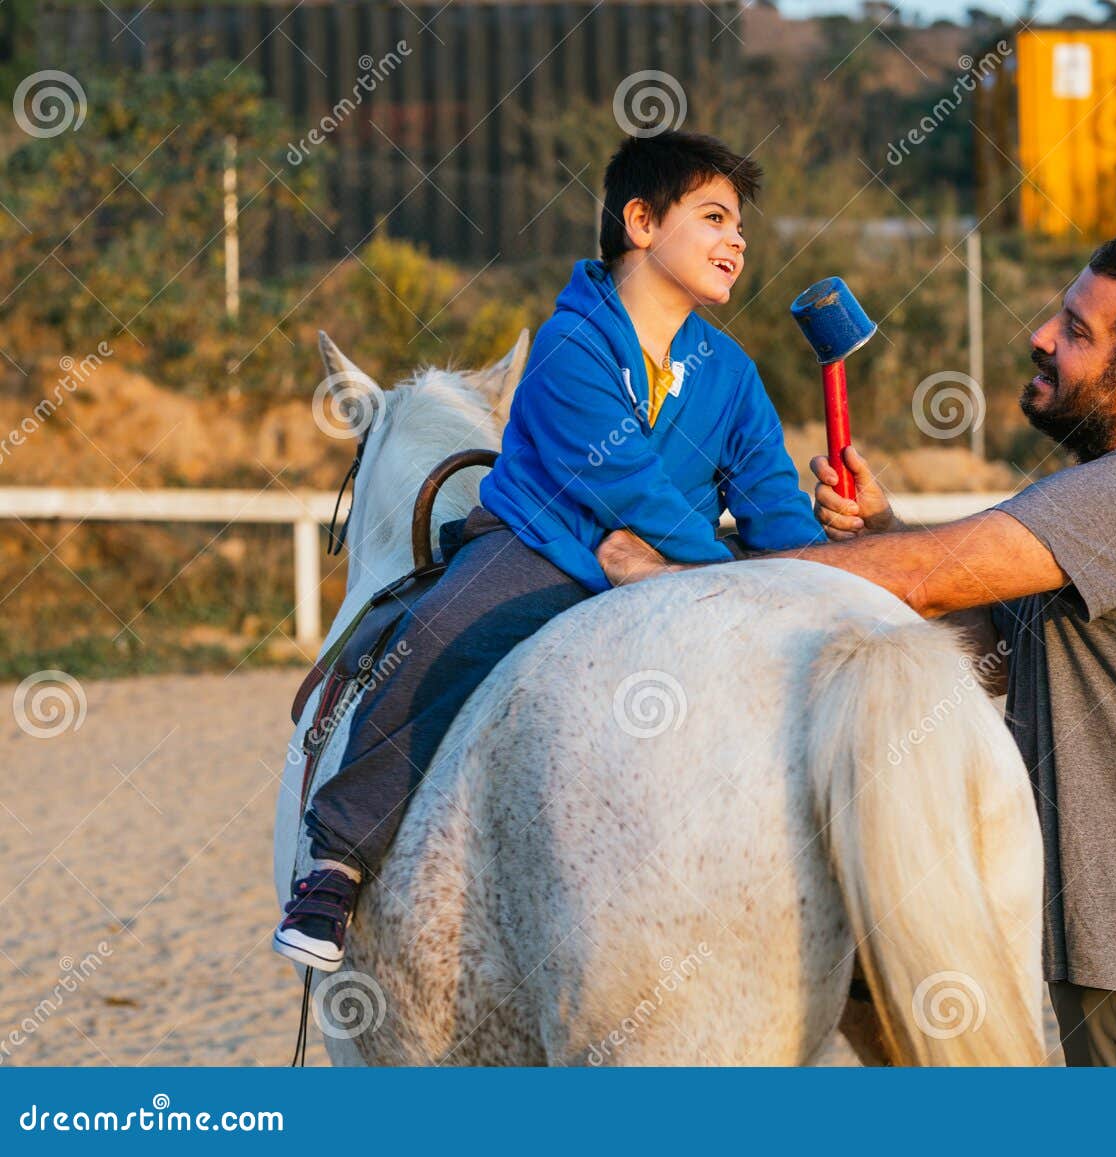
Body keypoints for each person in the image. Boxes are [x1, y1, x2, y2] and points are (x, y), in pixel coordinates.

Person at [599, 234, 1116, 1066]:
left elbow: (926, 581)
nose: (1040, 334)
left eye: (1076, 329)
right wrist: (883, 539)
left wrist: (679, 575)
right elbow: (975, 642)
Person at [274, 130, 825, 972]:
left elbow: (774, 510)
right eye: (715, 217)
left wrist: (819, 570)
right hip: (541, 550)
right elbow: (632, 495)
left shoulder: (734, 374)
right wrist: (722, 580)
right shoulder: (570, 345)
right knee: (435, 639)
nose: (738, 240)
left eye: (741, 226)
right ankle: (335, 863)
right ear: (641, 221)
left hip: (680, 571)